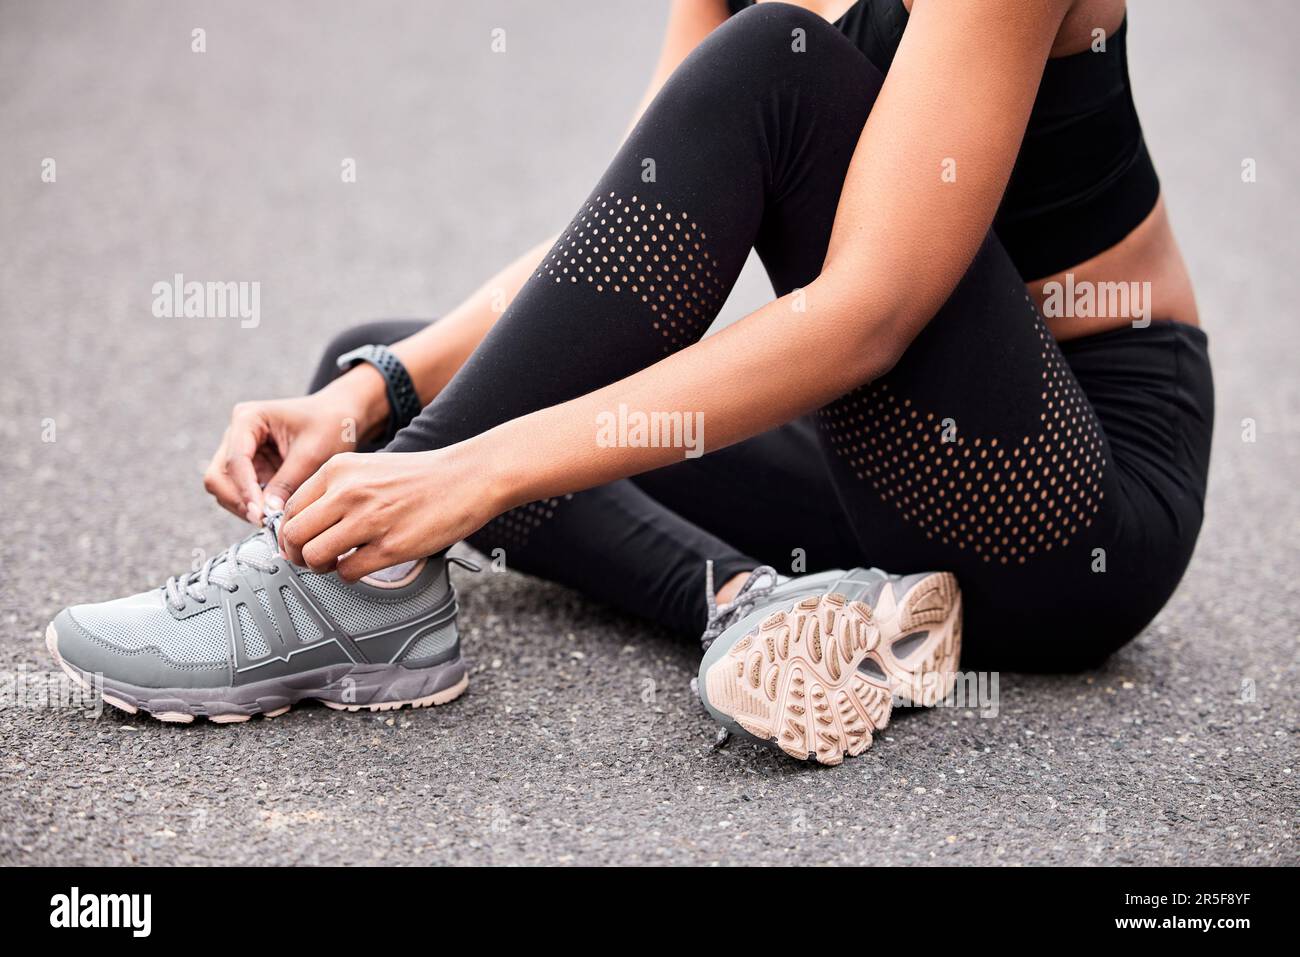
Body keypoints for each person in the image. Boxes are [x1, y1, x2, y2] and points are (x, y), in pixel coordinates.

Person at [47, 0, 1212, 765]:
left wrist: (465, 472)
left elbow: (869, 315)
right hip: (878, 457)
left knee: (777, 58)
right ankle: (745, 601)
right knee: (378, 372)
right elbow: (629, 243)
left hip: (1068, 509)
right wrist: (376, 395)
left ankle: (364, 586)